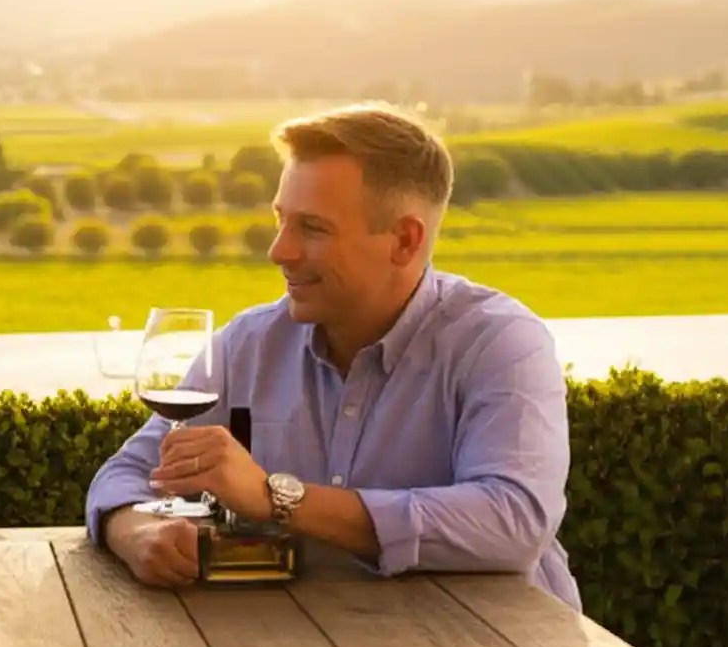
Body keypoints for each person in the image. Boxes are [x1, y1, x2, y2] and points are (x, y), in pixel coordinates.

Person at [85, 102, 582, 612]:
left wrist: (279, 498)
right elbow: (128, 472)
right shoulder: (249, 345)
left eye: (313, 228)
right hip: (308, 644)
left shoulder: (500, 343)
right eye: (281, 220)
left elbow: (513, 521)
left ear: (404, 240)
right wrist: (137, 532)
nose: (280, 251)